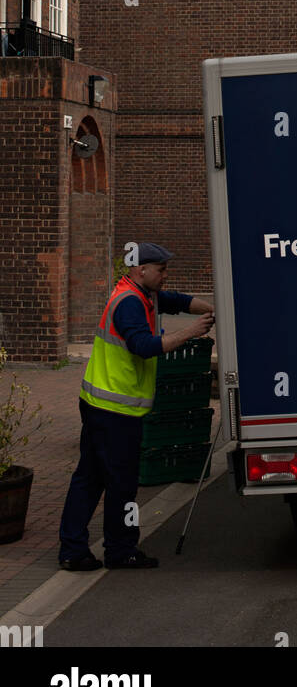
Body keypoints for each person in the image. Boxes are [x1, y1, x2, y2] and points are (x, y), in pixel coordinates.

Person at [58, 243, 215, 571]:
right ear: (141, 270)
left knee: (89, 478)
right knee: (122, 483)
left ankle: (73, 549)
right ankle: (120, 550)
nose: (165, 275)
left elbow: (178, 300)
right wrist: (191, 331)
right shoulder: (130, 303)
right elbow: (143, 347)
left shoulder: (141, 294)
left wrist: (214, 309)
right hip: (115, 411)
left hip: (102, 405)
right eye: (161, 270)